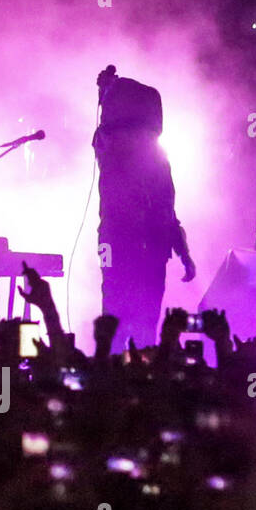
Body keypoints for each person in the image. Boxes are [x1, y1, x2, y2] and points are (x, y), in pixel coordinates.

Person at [93, 67, 196, 348]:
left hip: (144, 249)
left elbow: (167, 209)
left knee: (142, 324)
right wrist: (106, 94)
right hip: (123, 245)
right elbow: (102, 136)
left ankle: (132, 379)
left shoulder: (156, 160)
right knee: (118, 321)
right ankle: (117, 379)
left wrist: (182, 250)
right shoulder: (114, 150)